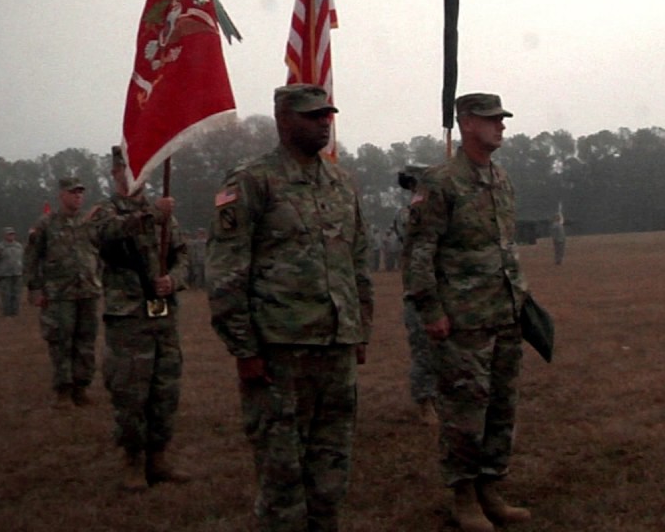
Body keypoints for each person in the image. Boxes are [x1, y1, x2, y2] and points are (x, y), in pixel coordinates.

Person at [208, 83, 374, 532]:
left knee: (331, 472)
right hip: (279, 352)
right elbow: (226, 270)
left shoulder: (340, 182)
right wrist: (244, 348)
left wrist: (359, 330)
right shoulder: (251, 181)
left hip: (336, 347)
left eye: (327, 114)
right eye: (311, 115)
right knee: (282, 476)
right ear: (283, 120)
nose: (324, 121)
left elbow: (357, 258)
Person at [403, 92, 536, 532]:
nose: (501, 126)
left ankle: (490, 488)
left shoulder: (501, 179)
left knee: (501, 408)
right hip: (462, 321)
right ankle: (463, 497)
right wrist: (432, 309)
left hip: (504, 314)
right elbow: (419, 252)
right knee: (464, 411)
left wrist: (521, 300)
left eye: (501, 119)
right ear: (466, 123)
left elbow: (504, 248)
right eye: (491, 119)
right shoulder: (441, 182)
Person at [90, 146, 191, 491]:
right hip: (128, 319)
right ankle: (132, 461)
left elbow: (183, 256)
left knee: (165, 389)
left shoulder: (164, 214)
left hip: (163, 317)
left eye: (142, 169)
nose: (136, 176)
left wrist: (173, 280)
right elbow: (105, 234)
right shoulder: (106, 211)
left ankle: (158, 458)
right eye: (128, 169)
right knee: (130, 391)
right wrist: (152, 216)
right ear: (116, 172)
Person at [26, 177, 102, 409]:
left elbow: (98, 254)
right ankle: (64, 391)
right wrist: (35, 288)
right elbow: (31, 258)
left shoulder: (90, 223)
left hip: (87, 292)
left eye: (81, 192)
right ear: (62, 195)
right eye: (73, 192)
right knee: (61, 342)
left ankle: (81, 387)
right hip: (59, 295)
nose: (78, 196)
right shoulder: (47, 224)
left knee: (86, 342)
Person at [396, 170, 437, 426]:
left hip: (442, 292)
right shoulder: (407, 214)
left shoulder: (439, 210)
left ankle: (441, 398)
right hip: (419, 294)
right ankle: (424, 402)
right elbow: (414, 234)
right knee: (424, 351)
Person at [0, 228, 25, 316]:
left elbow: (23, 259)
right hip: (5, 274)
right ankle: (7, 312)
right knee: (6, 294)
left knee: (17, 294)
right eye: (9, 234)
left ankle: (15, 312)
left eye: (12, 234)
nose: (11, 236)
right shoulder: (0, 247)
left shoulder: (19, 246)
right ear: (5, 235)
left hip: (17, 273)